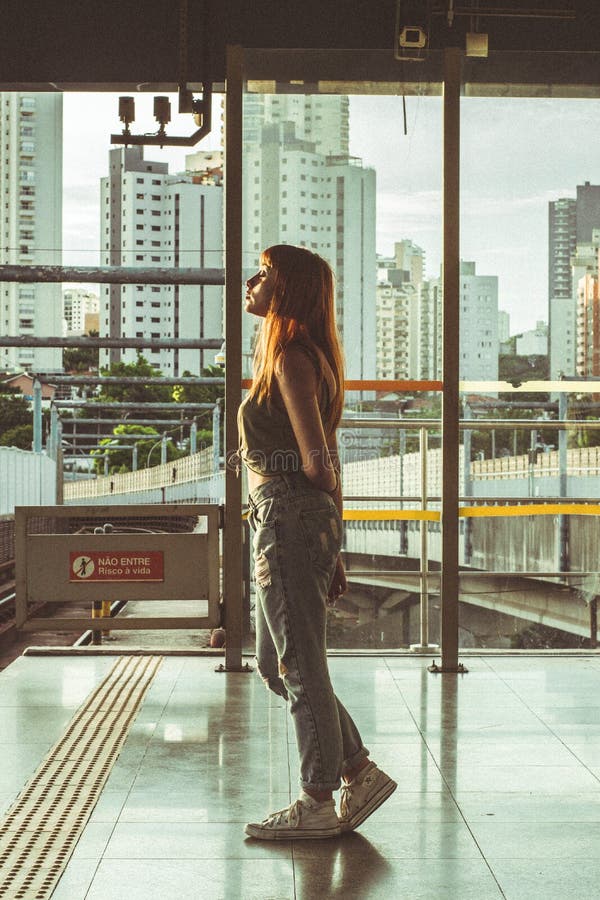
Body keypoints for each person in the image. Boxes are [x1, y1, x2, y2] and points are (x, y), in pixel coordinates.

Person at [238, 244, 396, 840]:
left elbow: (317, 463)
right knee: (279, 665)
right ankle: (356, 768)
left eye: (265, 274)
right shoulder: (305, 357)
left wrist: (316, 527)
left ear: (289, 290)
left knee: (298, 665)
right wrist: (337, 541)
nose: (252, 281)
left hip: (285, 515)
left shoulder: (291, 358)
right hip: (293, 519)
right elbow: (329, 469)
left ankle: (316, 799)